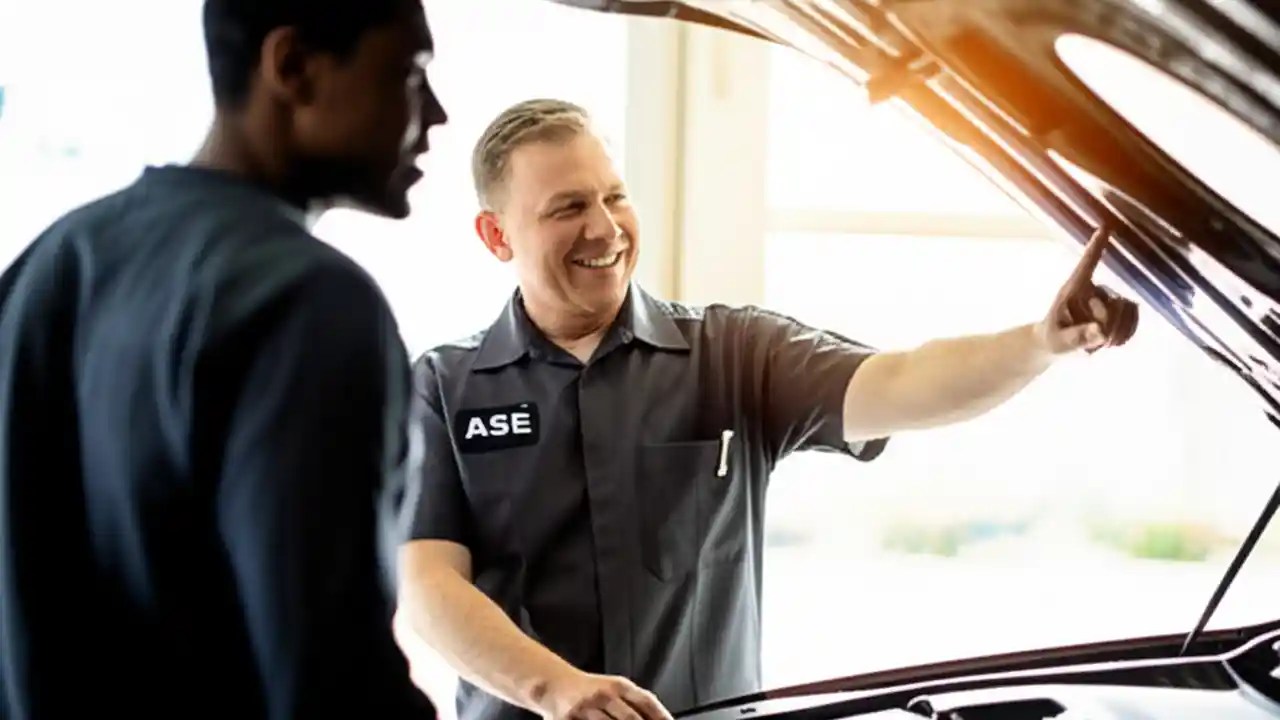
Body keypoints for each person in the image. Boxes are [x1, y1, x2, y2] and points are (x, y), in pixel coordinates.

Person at [394, 99, 1138, 720]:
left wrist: (1042, 341)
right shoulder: (442, 386)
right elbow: (428, 586)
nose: (605, 229)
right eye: (567, 208)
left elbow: (906, 383)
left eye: (614, 196)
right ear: (497, 235)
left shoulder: (735, 352)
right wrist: (559, 691)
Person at [0, 1, 448, 717]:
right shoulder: (308, 302)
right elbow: (330, 682)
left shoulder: (51, 263)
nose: (437, 115)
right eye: (410, 74)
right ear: (292, 66)